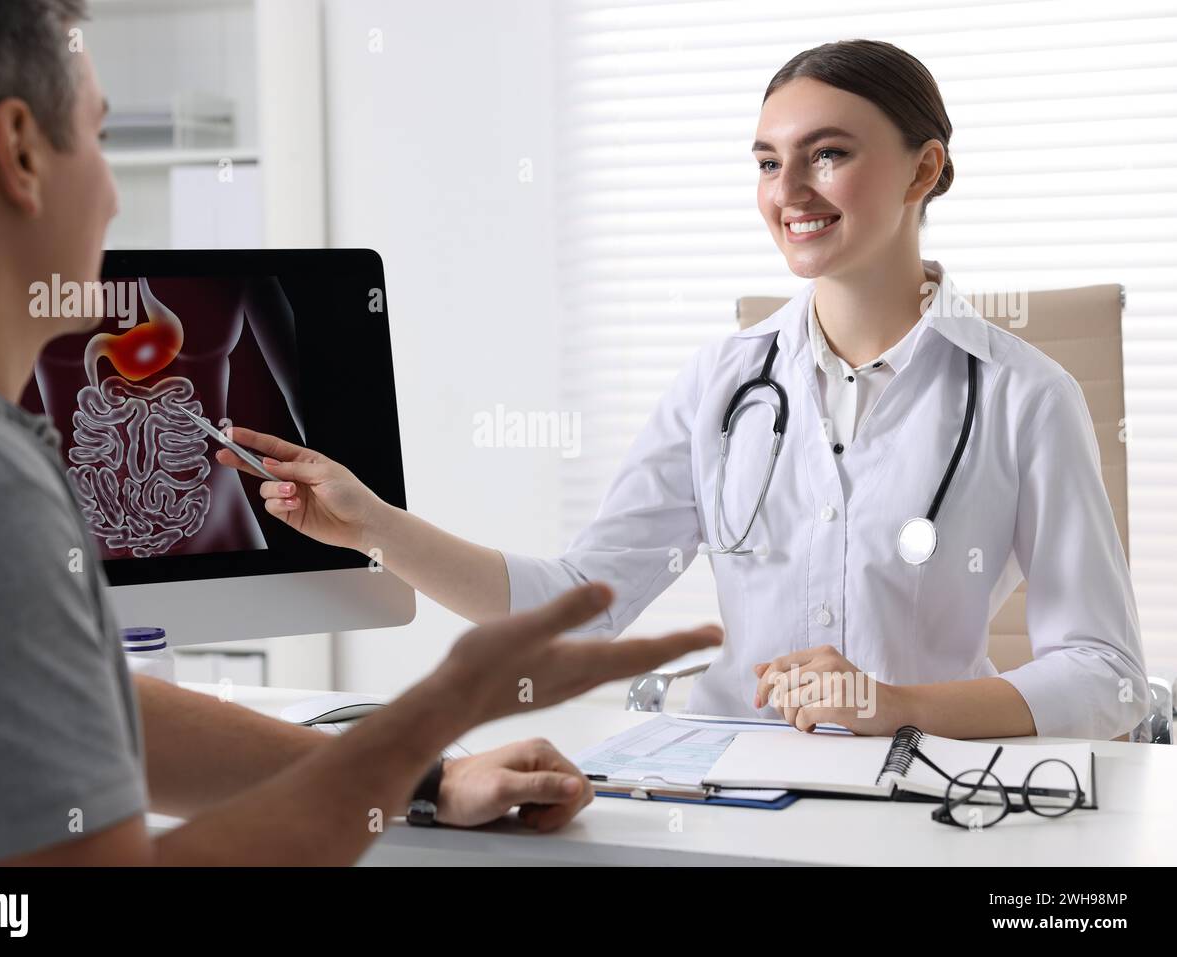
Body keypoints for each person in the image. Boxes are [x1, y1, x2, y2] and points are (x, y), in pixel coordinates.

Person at [0, 0, 723, 866]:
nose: (115, 193)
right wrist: (441, 707)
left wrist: (420, 776)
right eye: (94, 138)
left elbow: (85, 711)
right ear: (20, 151)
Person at [222, 39, 1147, 742]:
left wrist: (895, 705)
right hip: (725, 776)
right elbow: (578, 605)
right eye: (766, 160)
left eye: (827, 154)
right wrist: (374, 522)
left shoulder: (1025, 395)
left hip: (910, 790)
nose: (788, 189)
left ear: (924, 168)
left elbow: (1107, 677)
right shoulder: (724, 381)